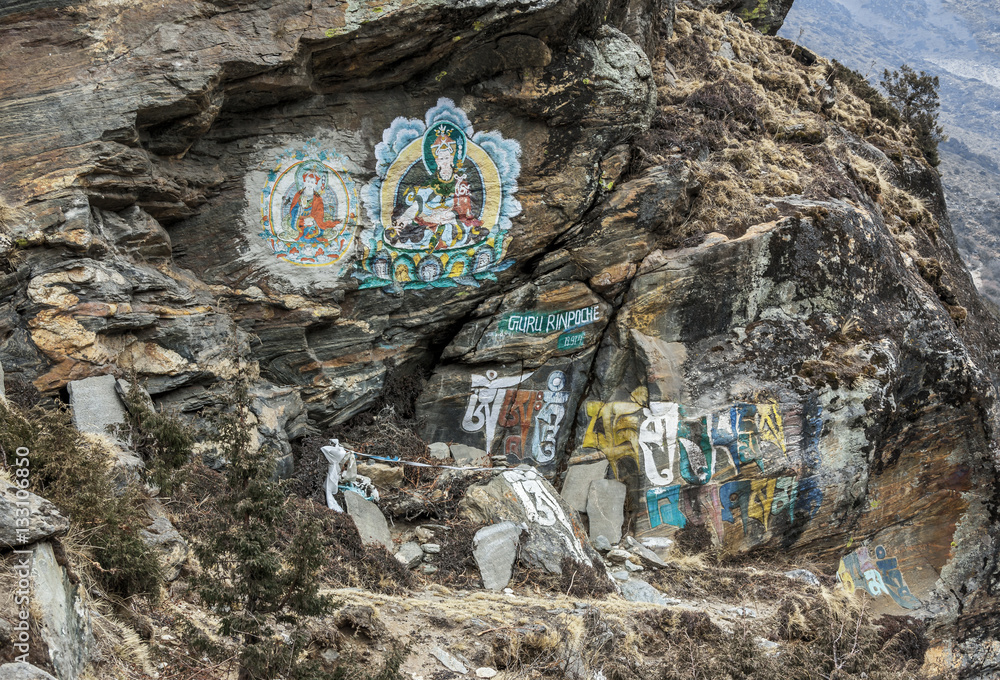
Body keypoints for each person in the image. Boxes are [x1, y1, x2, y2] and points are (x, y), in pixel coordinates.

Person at [387, 125, 482, 249]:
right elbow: (417, 204)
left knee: (459, 230)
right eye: (441, 159)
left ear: (452, 159)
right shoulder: (429, 183)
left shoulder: (460, 183)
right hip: (428, 219)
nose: (444, 162)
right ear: (436, 162)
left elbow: (464, 209)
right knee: (413, 231)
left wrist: (447, 215)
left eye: (447, 158)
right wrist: (404, 219)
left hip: (451, 220)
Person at [286, 165, 340, 243]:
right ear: (304, 182)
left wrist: (312, 219)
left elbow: (320, 212)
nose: (309, 184)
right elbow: (293, 209)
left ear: (315, 184)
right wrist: (300, 209)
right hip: (299, 219)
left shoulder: (317, 198)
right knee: (295, 226)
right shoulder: (299, 195)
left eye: (312, 182)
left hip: (313, 220)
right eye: (308, 181)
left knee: (315, 229)